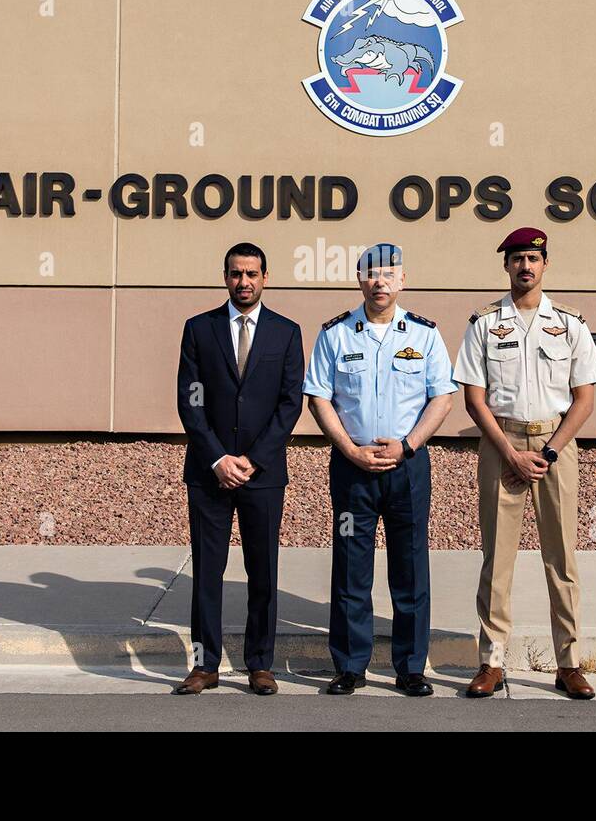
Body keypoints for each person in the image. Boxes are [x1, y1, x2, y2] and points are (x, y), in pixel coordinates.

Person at [453, 227, 596, 699]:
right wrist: (510, 452)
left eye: (533, 259)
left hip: (554, 446)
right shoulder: (483, 323)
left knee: (561, 558)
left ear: (545, 265)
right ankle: (492, 660)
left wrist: (550, 450)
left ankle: (569, 662)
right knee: (497, 559)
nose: (525, 266)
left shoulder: (570, 322)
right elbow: (474, 399)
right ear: (506, 266)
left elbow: (585, 398)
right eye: (517, 258)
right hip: (502, 446)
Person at [302, 243, 455, 696]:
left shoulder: (425, 335)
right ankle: (350, 666)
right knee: (351, 567)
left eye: (389, 273)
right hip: (353, 468)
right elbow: (319, 397)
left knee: (410, 567)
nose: (380, 281)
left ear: (402, 280)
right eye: (371, 274)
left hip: (407, 467)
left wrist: (409, 444)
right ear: (359, 280)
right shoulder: (336, 334)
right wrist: (349, 449)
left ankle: (410, 668)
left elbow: (441, 397)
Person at [173, 242, 304, 695]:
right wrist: (217, 457)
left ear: (265, 278)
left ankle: (259, 664)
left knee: (262, 570)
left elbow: (289, 406)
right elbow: (190, 401)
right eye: (235, 274)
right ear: (224, 277)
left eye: (251, 274)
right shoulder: (199, 329)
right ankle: (204, 664)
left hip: (262, 474)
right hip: (209, 472)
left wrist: (252, 459)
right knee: (208, 570)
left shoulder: (286, 333)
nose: (243, 282)